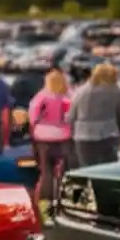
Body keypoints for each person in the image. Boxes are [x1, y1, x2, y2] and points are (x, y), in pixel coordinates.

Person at [67, 62, 120, 166]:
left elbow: (71, 117)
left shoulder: (80, 91)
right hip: (108, 136)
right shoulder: (119, 91)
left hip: (82, 138)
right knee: (107, 172)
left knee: (87, 171)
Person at [28, 70, 72, 213]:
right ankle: (60, 204)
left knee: (45, 173)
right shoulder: (68, 96)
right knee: (61, 173)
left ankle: (42, 207)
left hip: (43, 138)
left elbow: (33, 117)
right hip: (63, 138)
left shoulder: (41, 96)